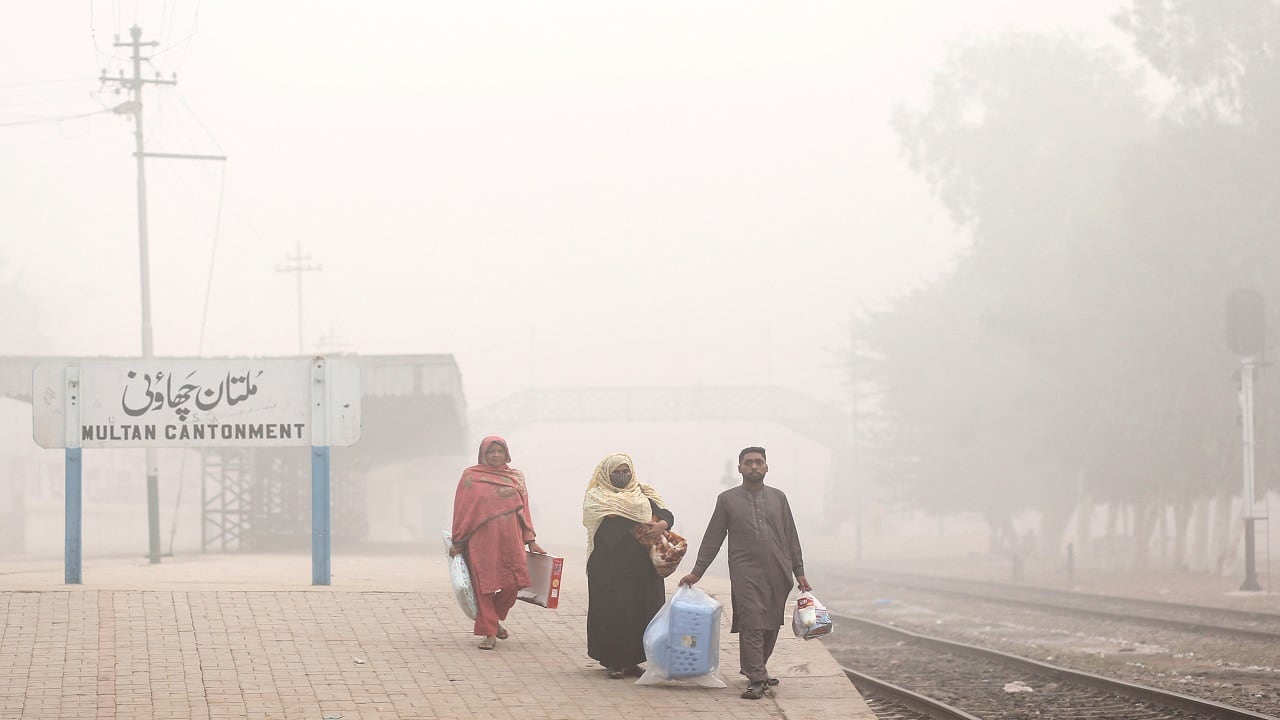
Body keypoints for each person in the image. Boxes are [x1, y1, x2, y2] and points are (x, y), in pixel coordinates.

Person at [678, 447, 810, 700]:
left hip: (778, 570)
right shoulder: (727, 499)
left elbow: (791, 535)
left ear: (767, 467)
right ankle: (757, 677)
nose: (754, 467)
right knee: (752, 620)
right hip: (745, 570)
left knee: (771, 622)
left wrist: (799, 571)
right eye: (748, 463)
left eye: (759, 462)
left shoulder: (779, 498)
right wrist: (697, 572)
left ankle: (755, 667)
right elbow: (713, 537)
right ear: (739, 468)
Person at [582, 453, 674, 679]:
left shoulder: (642, 493)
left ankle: (632, 661)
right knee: (613, 611)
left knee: (642, 611)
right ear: (606, 474)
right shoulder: (597, 496)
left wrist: (660, 525)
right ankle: (615, 661)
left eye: (626, 472)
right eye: (616, 472)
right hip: (608, 565)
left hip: (642, 567)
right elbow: (595, 521)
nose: (622, 476)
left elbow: (666, 514)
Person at [449, 436, 545, 650]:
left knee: (513, 583)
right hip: (480, 541)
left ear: (506, 453)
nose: (495, 455)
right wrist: (458, 540)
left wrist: (531, 540)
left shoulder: (516, 477)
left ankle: (492, 618)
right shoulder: (470, 477)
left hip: (511, 538)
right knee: (485, 586)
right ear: (483, 454)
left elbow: (524, 510)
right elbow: (462, 511)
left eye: (499, 451)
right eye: (490, 452)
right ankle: (490, 632)